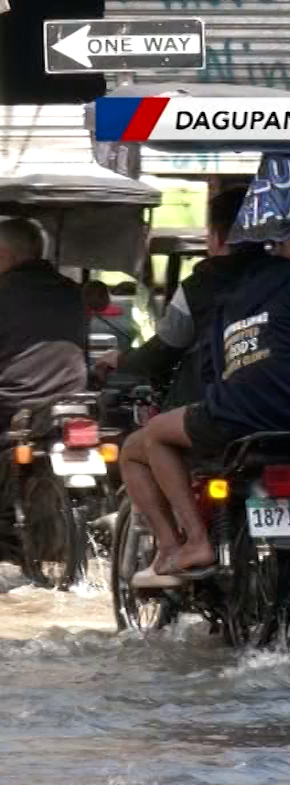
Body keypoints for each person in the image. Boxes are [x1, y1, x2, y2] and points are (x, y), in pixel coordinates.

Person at [122, 227, 290, 587]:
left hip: (239, 412)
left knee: (146, 440)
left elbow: (211, 363)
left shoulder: (237, 290)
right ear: (280, 242)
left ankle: (188, 543)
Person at [98, 186, 261, 412]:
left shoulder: (200, 285)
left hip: (214, 408)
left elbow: (163, 350)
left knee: (143, 441)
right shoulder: (285, 279)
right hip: (274, 405)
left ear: (217, 235)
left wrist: (122, 360)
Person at [0, 217, 88, 535]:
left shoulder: (4, 291)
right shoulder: (71, 291)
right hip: (74, 398)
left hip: (14, 402)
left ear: (5, 255)